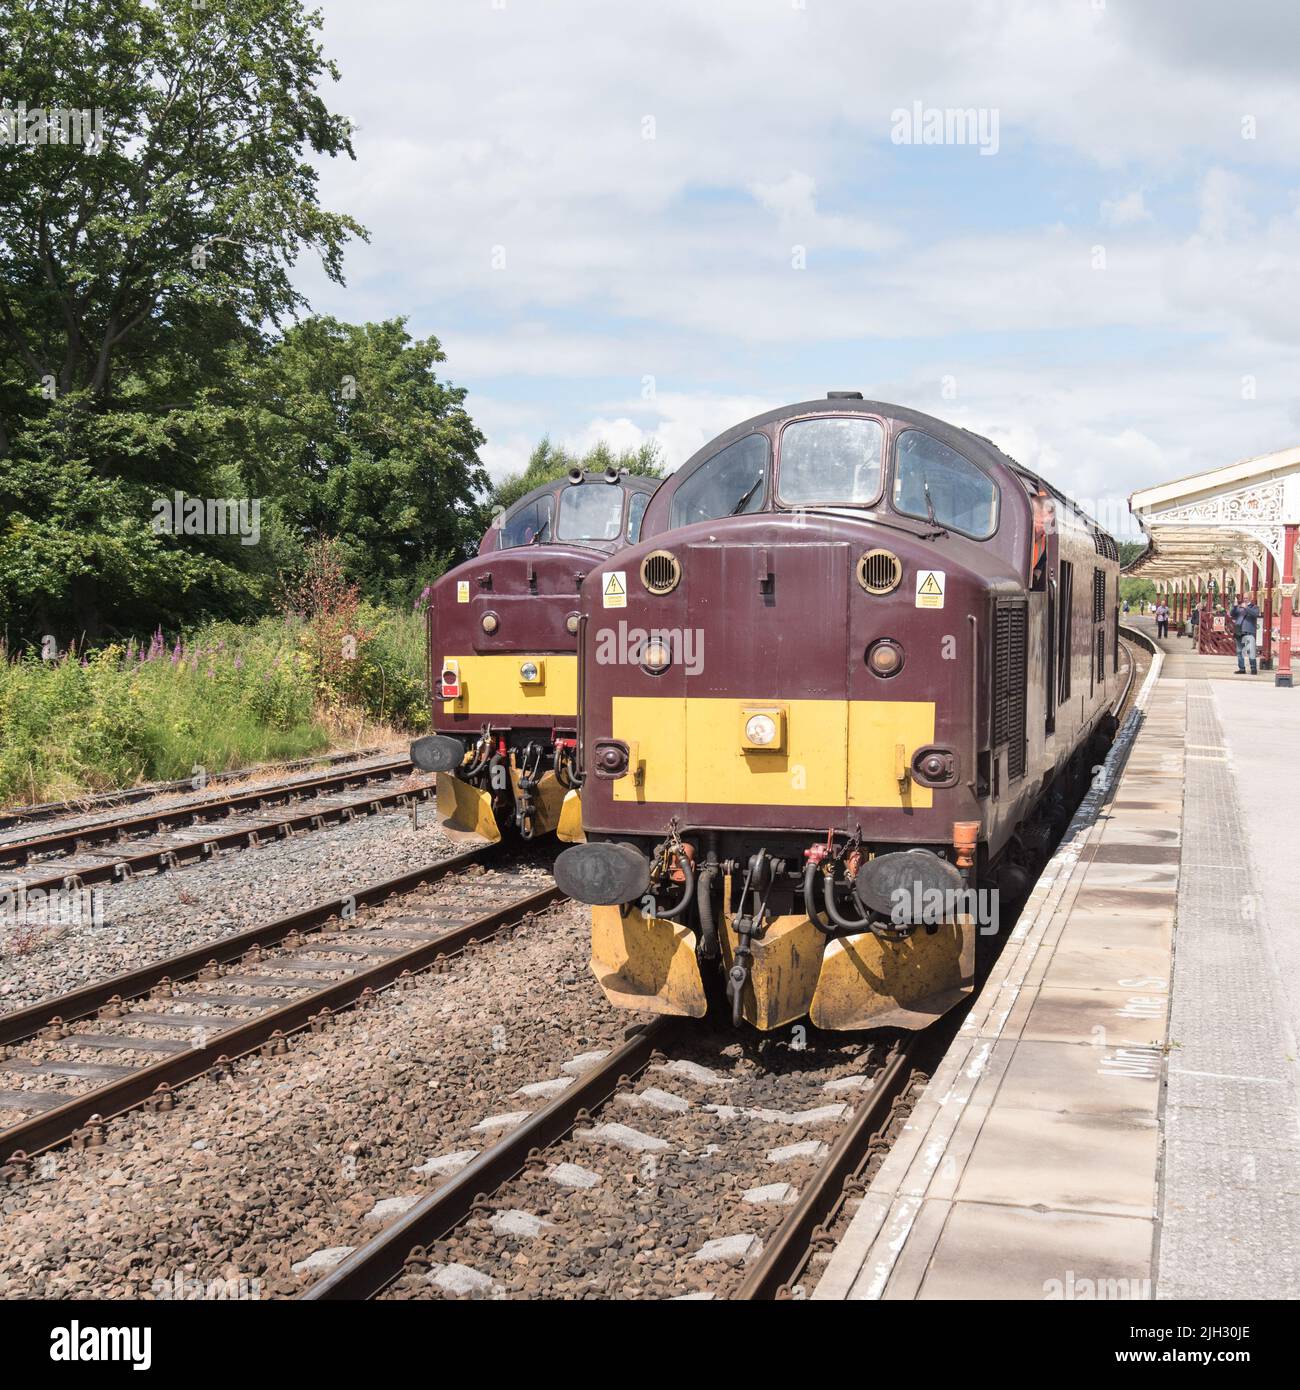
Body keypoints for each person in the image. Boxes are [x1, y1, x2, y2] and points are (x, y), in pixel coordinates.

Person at [1230, 596, 1261, 675]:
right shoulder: (1240, 607)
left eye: (1247, 598)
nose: (1245, 599)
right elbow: (1232, 614)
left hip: (1248, 632)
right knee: (1239, 651)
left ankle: (1253, 668)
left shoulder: (1254, 607)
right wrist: (1235, 606)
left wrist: (1246, 608)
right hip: (1239, 631)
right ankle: (1241, 668)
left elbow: (1255, 614)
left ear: (1251, 598)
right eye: (1244, 598)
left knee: (1251, 651)